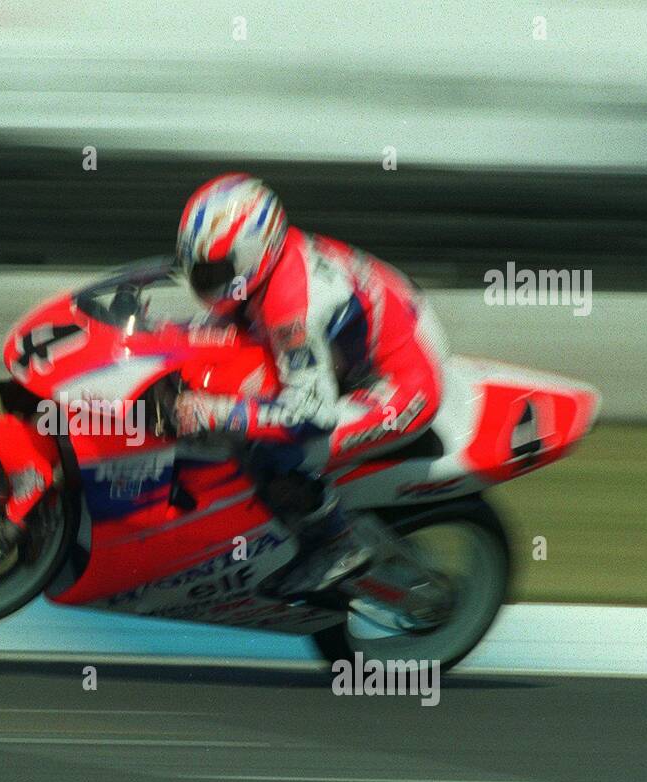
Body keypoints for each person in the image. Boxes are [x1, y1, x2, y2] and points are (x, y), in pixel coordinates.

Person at [172, 172, 447, 594]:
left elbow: (310, 414)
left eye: (213, 272)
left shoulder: (291, 307)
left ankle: (335, 543)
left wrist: (217, 412)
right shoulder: (263, 273)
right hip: (358, 352)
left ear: (250, 258)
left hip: (401, 382)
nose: (201, 284)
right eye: (194, 270)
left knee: (267, 445)